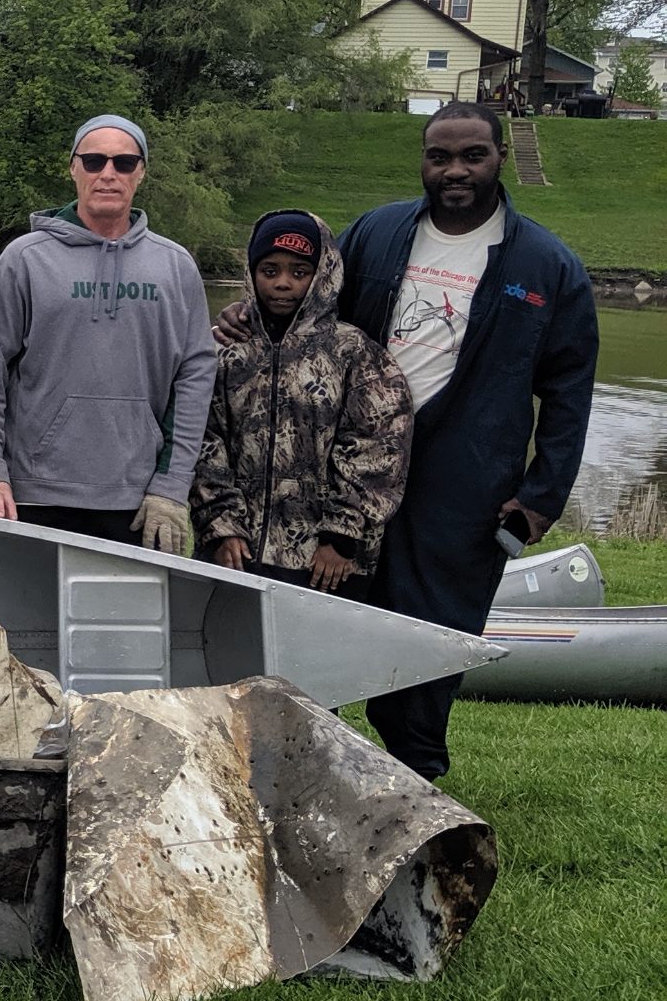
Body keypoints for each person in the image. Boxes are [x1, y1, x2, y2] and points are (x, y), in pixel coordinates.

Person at [220, 105, 597, 778]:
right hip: (346, 473)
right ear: (422, 160)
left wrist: (542, 497)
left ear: (499, 157)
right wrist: (250, 315)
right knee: (324, 612)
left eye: (473, 155)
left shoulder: (547, 266)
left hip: (461, 484)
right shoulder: (378, 232)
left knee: (429, 630)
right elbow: (309, 301)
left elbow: (569, 390)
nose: (456, 170)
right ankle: (312, 769)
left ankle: (415, 773)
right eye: (440, 156)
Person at [0, 114, 216, 551]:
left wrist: (172, 485)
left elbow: (194, 379)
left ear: (141, 172)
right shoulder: (25, 259)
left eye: (123, 163)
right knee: (30, 617)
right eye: (95, 160)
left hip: (138, 497)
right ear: (73, 167)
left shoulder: (175, 266)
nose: (108, 174)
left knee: (123, 618)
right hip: (33, 489)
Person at [191, 212, 411, 594]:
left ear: (321, 275)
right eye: (270, 270)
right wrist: (220, 525)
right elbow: (202, 440)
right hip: (236, 555)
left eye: (299, 271)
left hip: (326, 563)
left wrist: (343, 534)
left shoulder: (353, 353)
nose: (283, 284)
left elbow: (381, 444)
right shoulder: (225, 353)